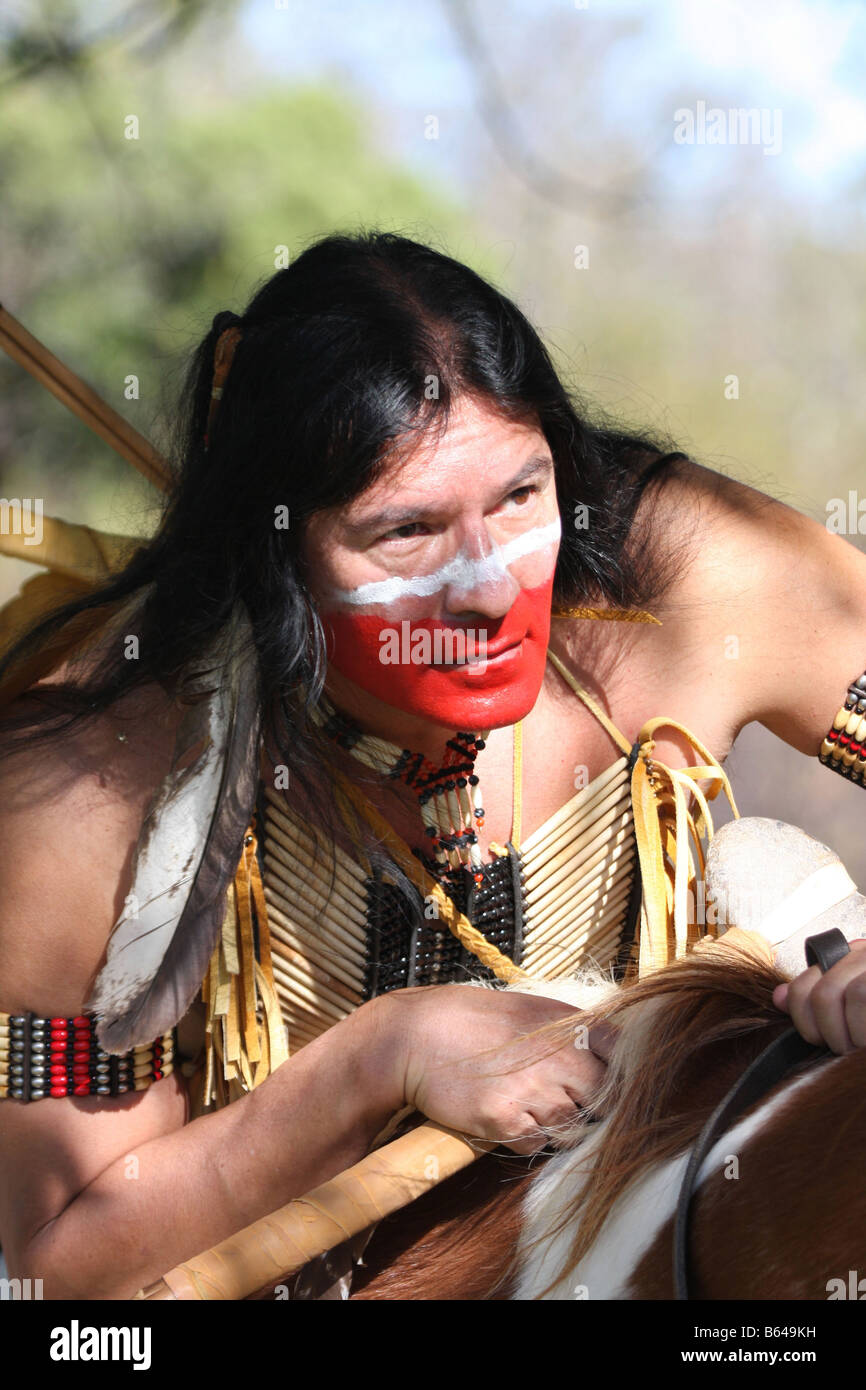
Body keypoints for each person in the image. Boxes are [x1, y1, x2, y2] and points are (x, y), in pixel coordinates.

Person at [1, 230, 866, 1301]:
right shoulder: (96, 790)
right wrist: (376, 1060)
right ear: (276, 553)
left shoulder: (688, 589)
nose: (489, 588)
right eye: (404, 531)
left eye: (519, 496)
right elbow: (63, 1265)